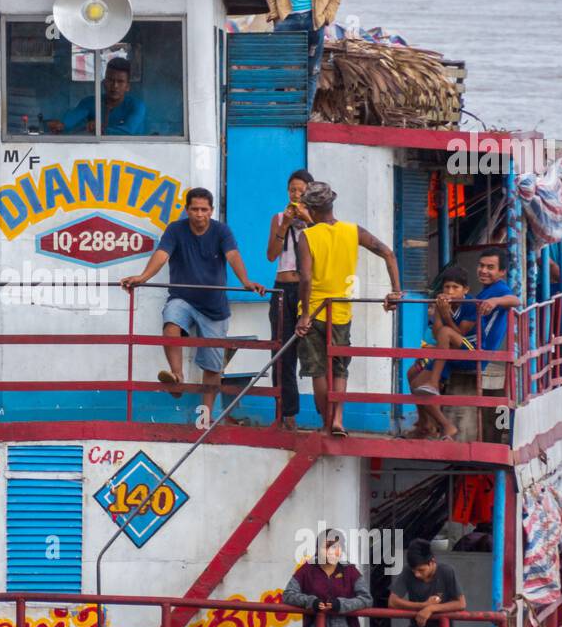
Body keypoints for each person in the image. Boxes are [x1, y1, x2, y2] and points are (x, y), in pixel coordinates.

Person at [121, 187, 266, 419]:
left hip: (214, 307)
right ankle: (177, 377)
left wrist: (245, 280)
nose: (199, 214)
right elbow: (161, 255)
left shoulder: (221, 231)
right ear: (187, 210)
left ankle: (205, 417)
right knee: (171, 321)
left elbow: (233, 255)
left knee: (212, 367)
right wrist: (143, 277)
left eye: (204, 210)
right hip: (183, 298)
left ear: (211, 211)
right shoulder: (175, 230)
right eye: (195, 209)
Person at [293, 181, 402, 437]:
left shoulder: (307, 236)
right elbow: (388, 253)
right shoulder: (353, 231)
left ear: (310, 208)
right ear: (332, 204)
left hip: (314, 311)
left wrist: (306, 314)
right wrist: (396, 291)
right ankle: (338, 419)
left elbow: (306, 278)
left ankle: (326, 423)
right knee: (340, 367)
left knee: (318, 370)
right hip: (341, 312)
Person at [265, 168, 313, 429]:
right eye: (292, 190)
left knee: (314, 351)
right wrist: (284, 225)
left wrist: (307, 220)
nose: (296, 195)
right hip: (283, 288)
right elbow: (271, 255)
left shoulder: (316, 219)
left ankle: (324, 416)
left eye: (301, 191)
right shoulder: (279, 218)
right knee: (282, 354)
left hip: (307, 290)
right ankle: (286, 415)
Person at [405, 264, 476, 440]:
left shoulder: (470, 305)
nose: (450, 291)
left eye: (455, 287)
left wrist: (446, 316)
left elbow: (459, 334)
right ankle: (426, 424)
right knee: (413, 376)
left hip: (468, 351)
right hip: (444, 351)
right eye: (447, 287)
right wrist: (439, 311)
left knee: (446, 332)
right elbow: (437, 334)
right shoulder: (441, 304)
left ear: (465, 289)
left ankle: (434, 383)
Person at [46, 58, 146, 136]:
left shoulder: (136, 106)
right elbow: (70, 121)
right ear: (103, 83)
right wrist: (59, 125)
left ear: (127, 87)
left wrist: (100, 129)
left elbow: (128, 131)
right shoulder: (90, 102)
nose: (115, 86)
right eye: (110, 80)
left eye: (120, 82)